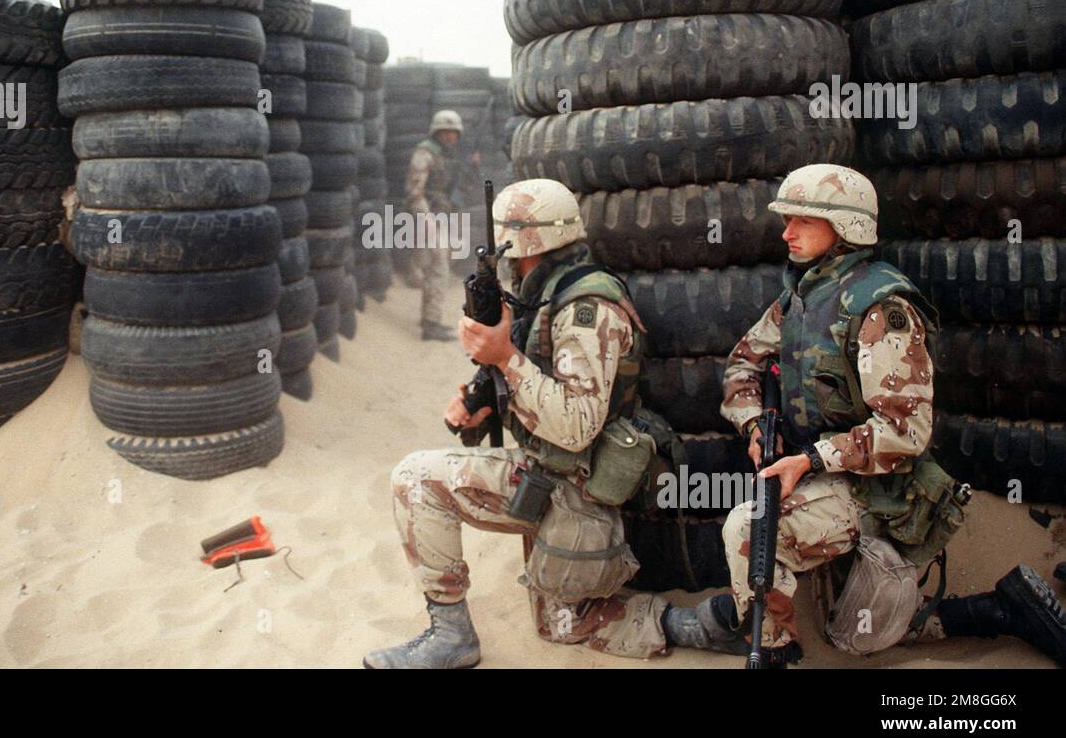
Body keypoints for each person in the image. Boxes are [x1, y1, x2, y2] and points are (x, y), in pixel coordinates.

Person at [675, 162, 1066, 667]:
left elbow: (904, 431)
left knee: (758, 540)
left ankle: (775, 647)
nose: (786, 232)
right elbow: (743, 362)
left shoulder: (881, 309)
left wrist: (810, 461)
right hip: (825, 474)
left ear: (845, 229)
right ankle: (994, 611)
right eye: (787, 219)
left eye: (803, 221)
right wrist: (755, 424)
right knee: (852, 618)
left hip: (880, 488)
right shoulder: (802, 295)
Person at [365, 178, 689, 668]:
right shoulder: (546, 296)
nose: (503, 258)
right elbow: (539, 380)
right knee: (558, 624)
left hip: (579, 483)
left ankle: (451, 637)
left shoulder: (586, 309)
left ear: (524, 243)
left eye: (506, 246)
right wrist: (484, 405)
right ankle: (698, 623)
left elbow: (578, 424)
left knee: (415, 478)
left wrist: (505, 358)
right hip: (555, 471)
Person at [405, 109, 464, 341]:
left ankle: (428, 318)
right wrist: (426, 220)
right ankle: (431, 324)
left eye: (454, 133)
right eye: (446, 132)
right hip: (427, 217)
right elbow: (414, 192)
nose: (451, 137)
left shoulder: (445, 155)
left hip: (440, 216)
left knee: (437, 266)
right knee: (439, 268)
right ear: (437, 133)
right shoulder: (425, 153)